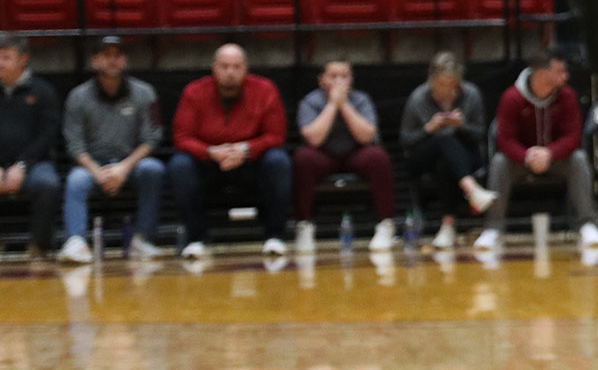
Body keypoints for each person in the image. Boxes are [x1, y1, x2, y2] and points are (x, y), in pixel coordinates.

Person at [168, 43, 292, 259]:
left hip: (251, 162)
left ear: (246, 68)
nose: (230, 72)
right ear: (214, 68)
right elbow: (182, 137)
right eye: (224, 66)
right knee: (180, 165)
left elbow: (276, 135)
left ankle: (275, 236)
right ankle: (196, 239)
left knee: (278, 161)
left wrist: (246, 149)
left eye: (236, 66)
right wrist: (209, 152)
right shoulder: (194, 91)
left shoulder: (265, 89)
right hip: (209, 162)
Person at [475, 47, 598, 255]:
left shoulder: (567, 96)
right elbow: (505, 140)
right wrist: (527, 156)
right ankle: (493, 229)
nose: (566, 76)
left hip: (556, 159)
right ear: (542, 73)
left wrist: (549, 153)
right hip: (522, 160)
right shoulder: (512, 97)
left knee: (579, 159)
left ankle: (587, 224)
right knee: (499, 162)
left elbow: (573, 136)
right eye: (560, 71)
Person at [59, 36, 167, 264]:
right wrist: (97, 171)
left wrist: (124, 168)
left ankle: (143, 239)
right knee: (76, 180)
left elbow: (152, 137)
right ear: (94, 61)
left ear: (125, 60)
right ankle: (76, 242)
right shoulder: (78, 96)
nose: (112, 60)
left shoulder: (145, 93)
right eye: (106, 55)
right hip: (92, 165)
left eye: (117, 55)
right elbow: (74, 143)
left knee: (153, 169)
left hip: (131, 163)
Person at [292, 59, 397, 253]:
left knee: (378, 156)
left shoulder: (361, 100)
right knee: (303, 158)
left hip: (355, 153)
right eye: (333, 76)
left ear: (351, 80)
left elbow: (367, 136)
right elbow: (313, 139)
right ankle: (304, 226)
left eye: (344, 76)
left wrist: (345, 105)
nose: (339, 81)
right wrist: (333, 104)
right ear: (321, 80)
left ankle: (385, 224)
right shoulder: (310, 102)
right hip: (323, 154)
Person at [398, 51, 495, 250]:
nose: (449, 90)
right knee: (443, 139)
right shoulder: (418, 98)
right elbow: (406, 140)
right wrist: (429, 128)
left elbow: (480, 134)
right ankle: (471, 189)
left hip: (462, 157)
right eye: (443, 84)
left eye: (454, 84)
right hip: (423, 157)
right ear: (432, 80)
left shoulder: (471, 94)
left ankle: (448, 226)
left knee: (445, 161)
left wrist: (462, 125)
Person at [0, 33, 63, 261]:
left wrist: (22, 165)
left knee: (48, 184)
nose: (0, 63)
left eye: (6, 57)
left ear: (23, 59)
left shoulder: (43, 91)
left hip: (34, 163)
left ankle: (39, 246)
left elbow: (47, 134)